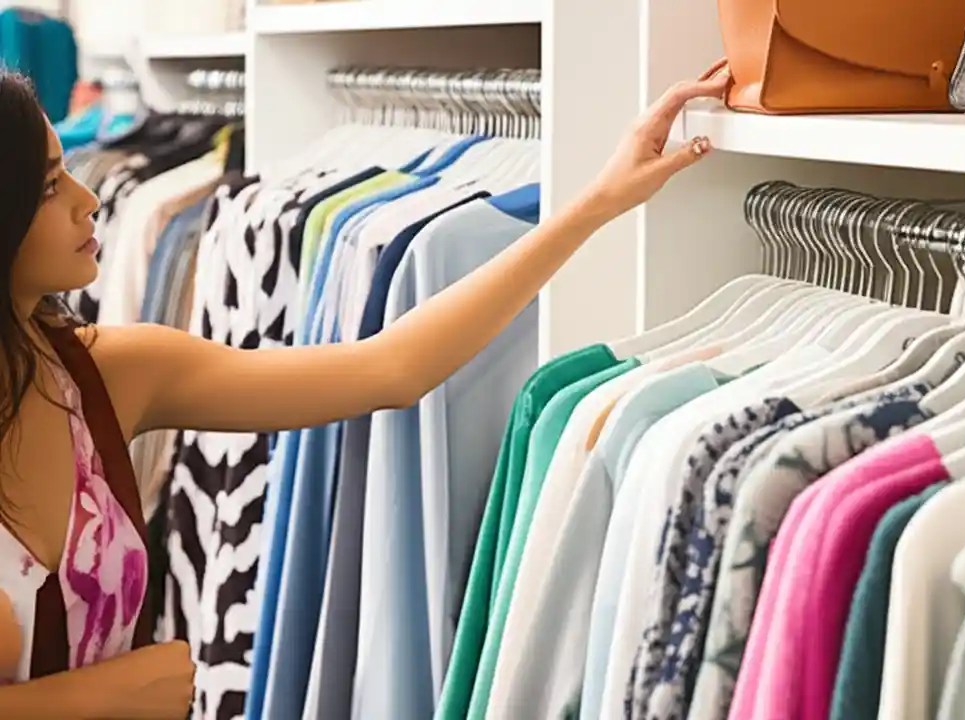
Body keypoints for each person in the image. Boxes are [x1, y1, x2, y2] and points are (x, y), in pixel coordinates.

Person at [0, 68, 725, 718]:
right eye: (48, 185)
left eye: (70, 172)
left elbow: (391, 368)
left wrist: (594, 204)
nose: (89, 199)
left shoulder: (104, 378)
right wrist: (97, 696)